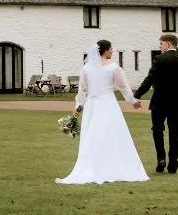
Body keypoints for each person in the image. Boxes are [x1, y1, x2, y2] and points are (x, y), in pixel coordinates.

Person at [56, 39, 149, 184]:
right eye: (111, 49)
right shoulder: (113, 67)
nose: (113, 51)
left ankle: (96, 166)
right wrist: (133, 101)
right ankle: (113, 166)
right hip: (108, 104)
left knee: (94, 134)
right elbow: (123, 87)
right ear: (105, 50)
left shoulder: (86, 69)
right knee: (112, 133)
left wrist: (78, 107)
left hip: (92, 104)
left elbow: (83, 91)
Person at [133, 34, 178, 174]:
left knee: (157, 131)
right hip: (177, 104)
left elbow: (149, 80)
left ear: (168, 44)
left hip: (159, 102)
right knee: (175, 133)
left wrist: (136, 95)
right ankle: (173, 163)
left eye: (161, 44)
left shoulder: (159, 59)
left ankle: (161, 158)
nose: (160, 47)